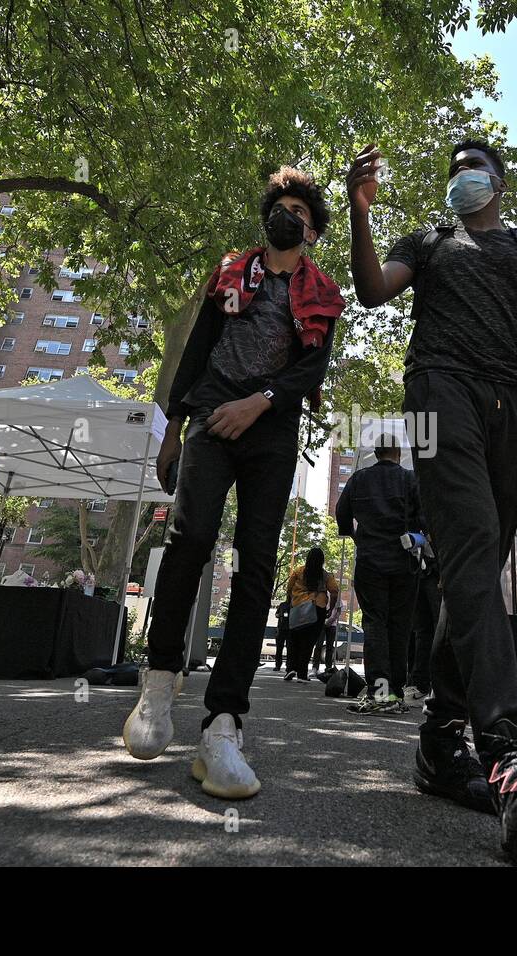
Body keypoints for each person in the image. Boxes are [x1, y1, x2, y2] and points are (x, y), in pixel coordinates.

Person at [346, 138, 517, 854]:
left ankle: (439, 745)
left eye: (473, 167)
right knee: (476, 551)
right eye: (451, 170)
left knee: (472, 571)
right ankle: (512, 755)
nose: (461, 177)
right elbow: (371, 289)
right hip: (437, 391)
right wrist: (360, 214)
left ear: (500, 181)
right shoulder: (426, 239)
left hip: (512, 403)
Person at [122, 166, 344, 799]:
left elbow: (308, 373)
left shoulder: (324, 292)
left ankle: (223, 724)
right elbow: (195, 349)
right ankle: (158, 687)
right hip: (212, 412)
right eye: (283, 207)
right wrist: (172, 427)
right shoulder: (228, 271)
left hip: (271, 426)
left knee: (255, 566)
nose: (291, 217)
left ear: (313, 230)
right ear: (268, 215)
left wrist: (260, 403)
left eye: (303, 212)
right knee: (189, 541)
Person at [335, 438, 423, 715]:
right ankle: (394, 694)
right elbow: (425, 518)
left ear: (375, 453)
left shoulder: (359, 479)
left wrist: (356, 536)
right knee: (400, 628)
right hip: (403, 563)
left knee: (375, 623)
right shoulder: (410, 479)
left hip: (370, 561)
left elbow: (342, 513)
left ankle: (380, 693)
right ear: (398, 453)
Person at [285, 547, 339, 682]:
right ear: (322, 560)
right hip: (317, 609)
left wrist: (291, 601)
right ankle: (302, 675)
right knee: (308, 642)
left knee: (294, 638)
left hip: (298, 607)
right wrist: (330, 608)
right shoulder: (326, 575)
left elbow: (289, 587)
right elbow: (334, 591)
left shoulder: (298, 571)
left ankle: (290, 668)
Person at [403, 543, 440, 702]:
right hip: (421, 571)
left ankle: (437, 684)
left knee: (440, 627)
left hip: (436, 569)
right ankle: (421, 683)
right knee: (422, 631)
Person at [272, 599, 290, 672]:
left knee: (290, 648)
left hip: (290, 629)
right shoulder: (282, 604)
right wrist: (280, 615)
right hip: (281, 628)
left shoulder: (294, 604)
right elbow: (276, 614)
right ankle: (278, 664)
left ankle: (288, 665)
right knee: (279, 647)